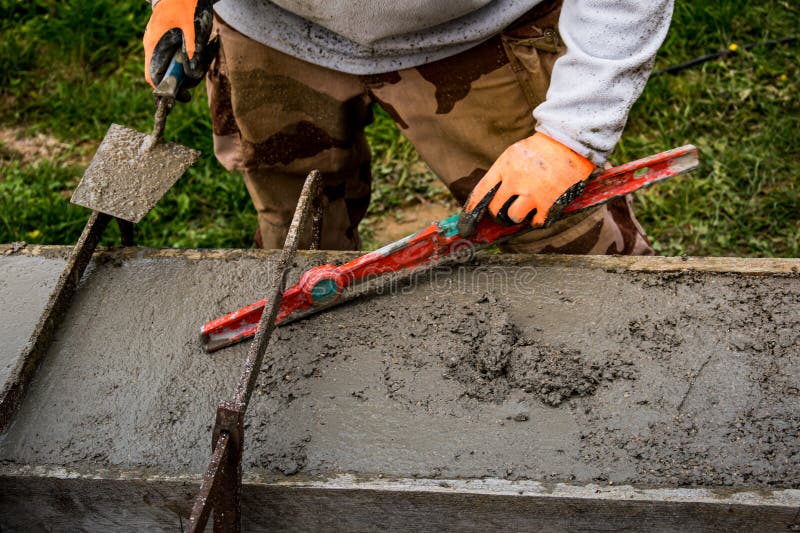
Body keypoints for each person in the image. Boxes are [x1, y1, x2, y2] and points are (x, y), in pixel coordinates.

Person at [143, 0, 672, 254]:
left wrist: (570, 136)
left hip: (478, 33)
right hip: (266, 29)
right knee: (297, 240)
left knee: (560, 236)